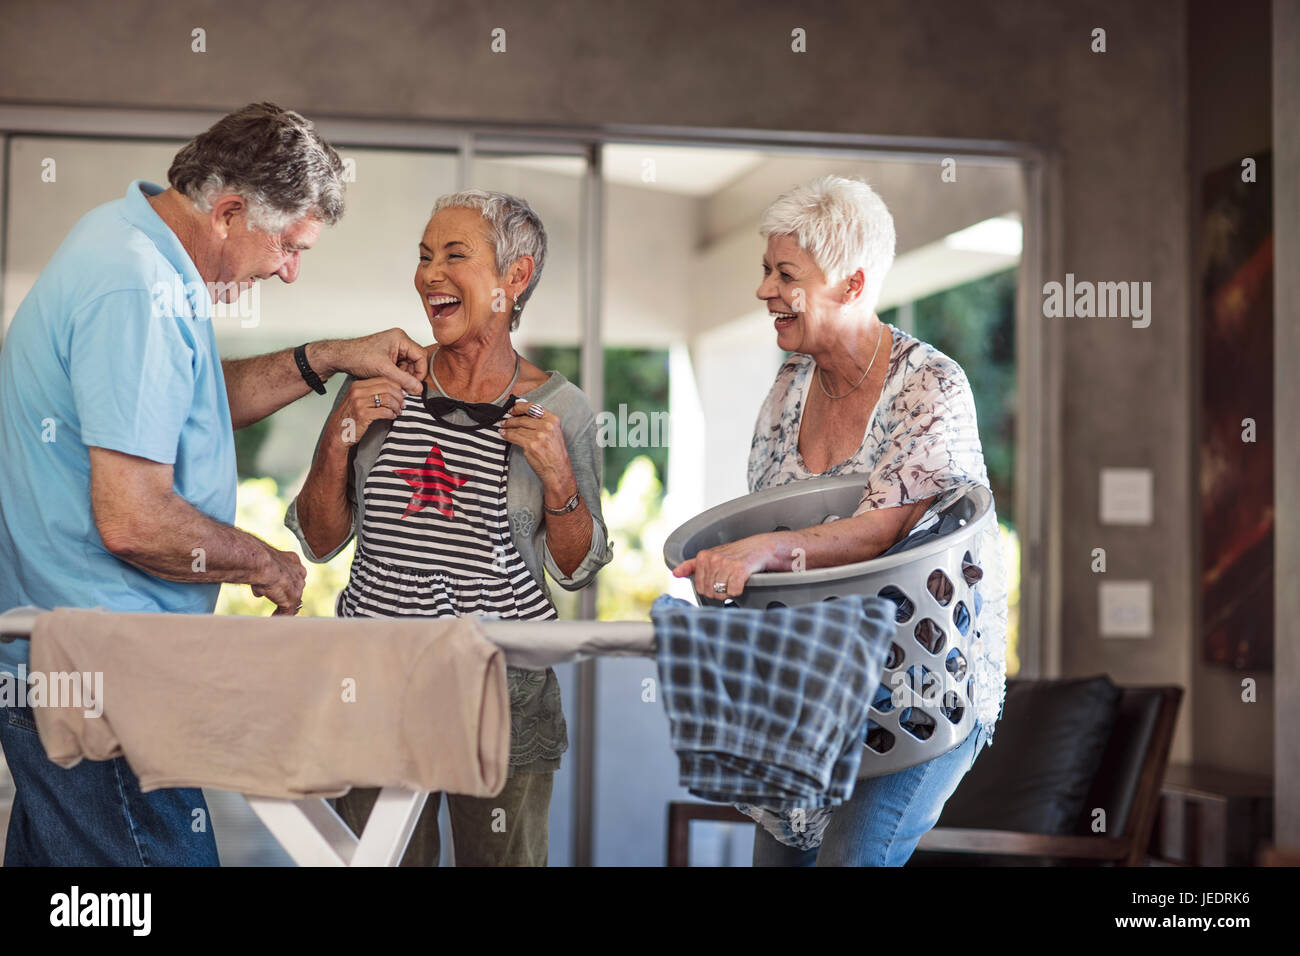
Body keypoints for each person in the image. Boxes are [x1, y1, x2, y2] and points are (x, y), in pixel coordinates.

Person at [0, 102, 434, 866]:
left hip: (75, 665)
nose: (290, 273)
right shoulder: (134, 286)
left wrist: (326, 356)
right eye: (290, 248)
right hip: (102, 684)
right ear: (230, 211)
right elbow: (132, 519)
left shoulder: (130, 245)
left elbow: (181, 405)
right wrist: (266, 563)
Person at [671, 175, 1008, 867]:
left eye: (784, 274)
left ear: (851, 285)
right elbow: (768, 510)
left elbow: (880, 530)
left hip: (918, 694)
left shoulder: (929, 385)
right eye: (766, 269)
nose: (764, 289)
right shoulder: (789, 387)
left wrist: (760, 552)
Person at [287, 188, 612, 866]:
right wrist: (337, 442)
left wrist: (558, 480)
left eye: (454, 256)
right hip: (375, 685)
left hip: (503, 696)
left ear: (513, 279)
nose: (429, 275)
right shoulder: (380, 384)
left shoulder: (563, 408)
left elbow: (576, 568)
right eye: (424, 257)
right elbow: (319, 542)